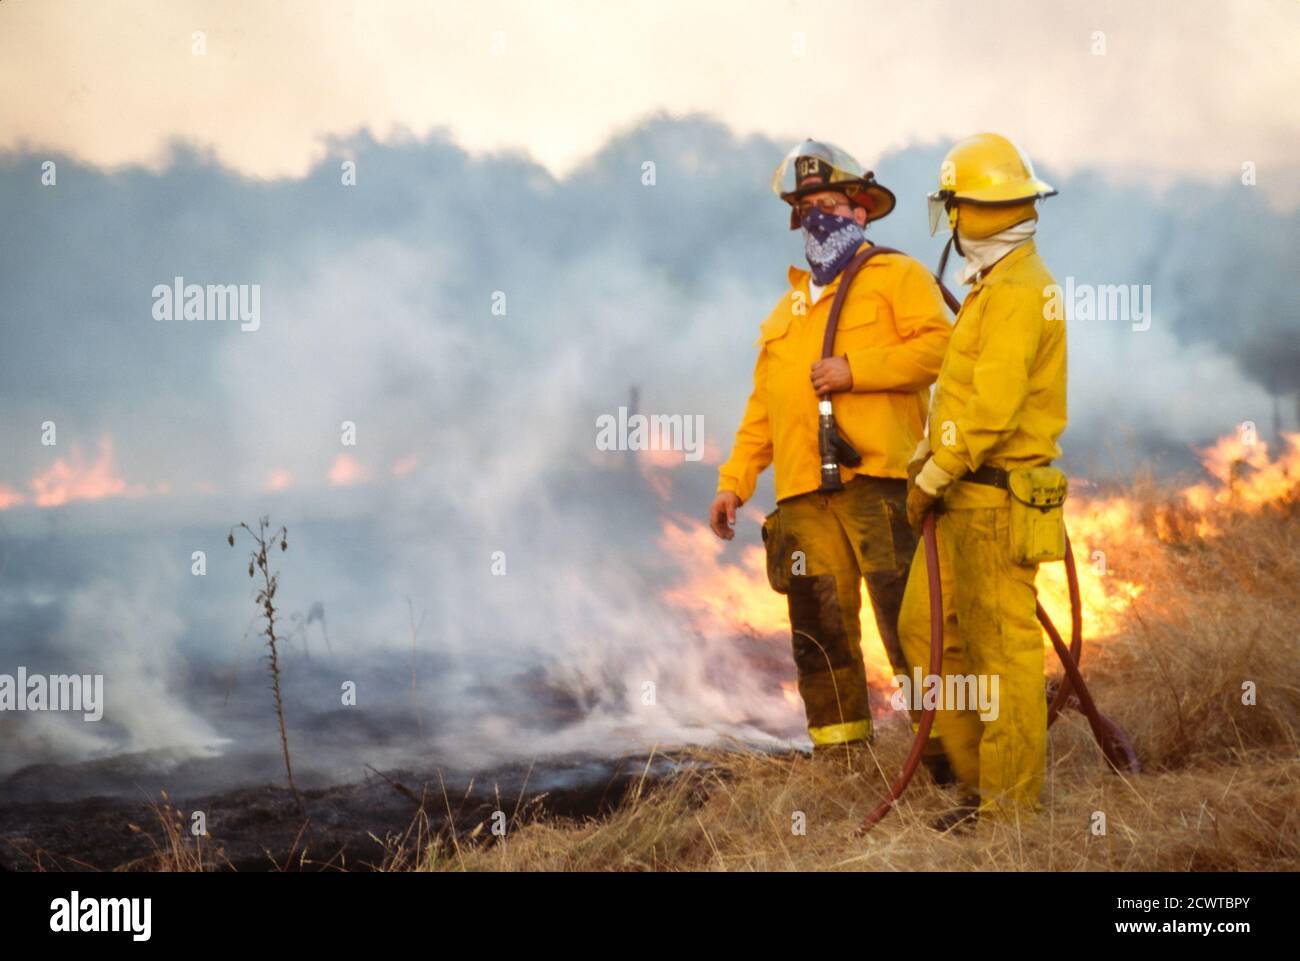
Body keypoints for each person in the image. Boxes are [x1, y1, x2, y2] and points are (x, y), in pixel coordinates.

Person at [709, 140, 950, 754]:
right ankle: (842, 762)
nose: (820, 213)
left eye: (832, 203)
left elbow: (943, 350)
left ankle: (948, 756)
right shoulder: (786, 309)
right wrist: (733, 482)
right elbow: (762, 407)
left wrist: (856, 369)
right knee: (819, 635)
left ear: (861, 211)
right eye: (809, 204)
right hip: (802, 501)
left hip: (881, 485)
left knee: (912, 626)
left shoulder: (896, 274)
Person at [899, 132, 1067, 826]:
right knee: (925, 631)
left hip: (993, 496)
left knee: (1006, 657)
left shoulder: (1023, 291)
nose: (951, 223)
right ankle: (975, 778)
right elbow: (960, 397)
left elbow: (993, 410)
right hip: (962, 494)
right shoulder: (993, 285)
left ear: (979, 210)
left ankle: (1008, 810)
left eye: (955, 208)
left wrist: (932, 474)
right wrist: (926, 459)